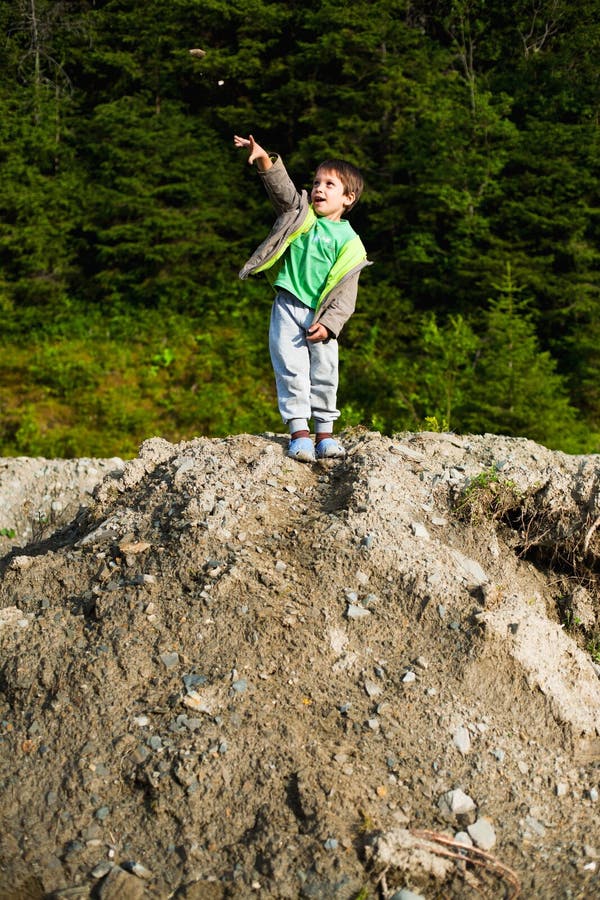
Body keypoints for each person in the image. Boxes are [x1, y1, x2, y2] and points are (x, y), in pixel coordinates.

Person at [234, 134, 371, 462]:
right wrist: (265, 159)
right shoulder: (301, 215)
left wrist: (329, 324)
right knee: (290, 370)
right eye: (316, 182)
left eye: (330, 185)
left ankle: (325, 435)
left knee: (325, 373)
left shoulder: (351, 243)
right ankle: (300, 435)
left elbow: (345, 295)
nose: (320, 189)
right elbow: (282, 189)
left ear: (348, 198)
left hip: (320, 318)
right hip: (287, 307)